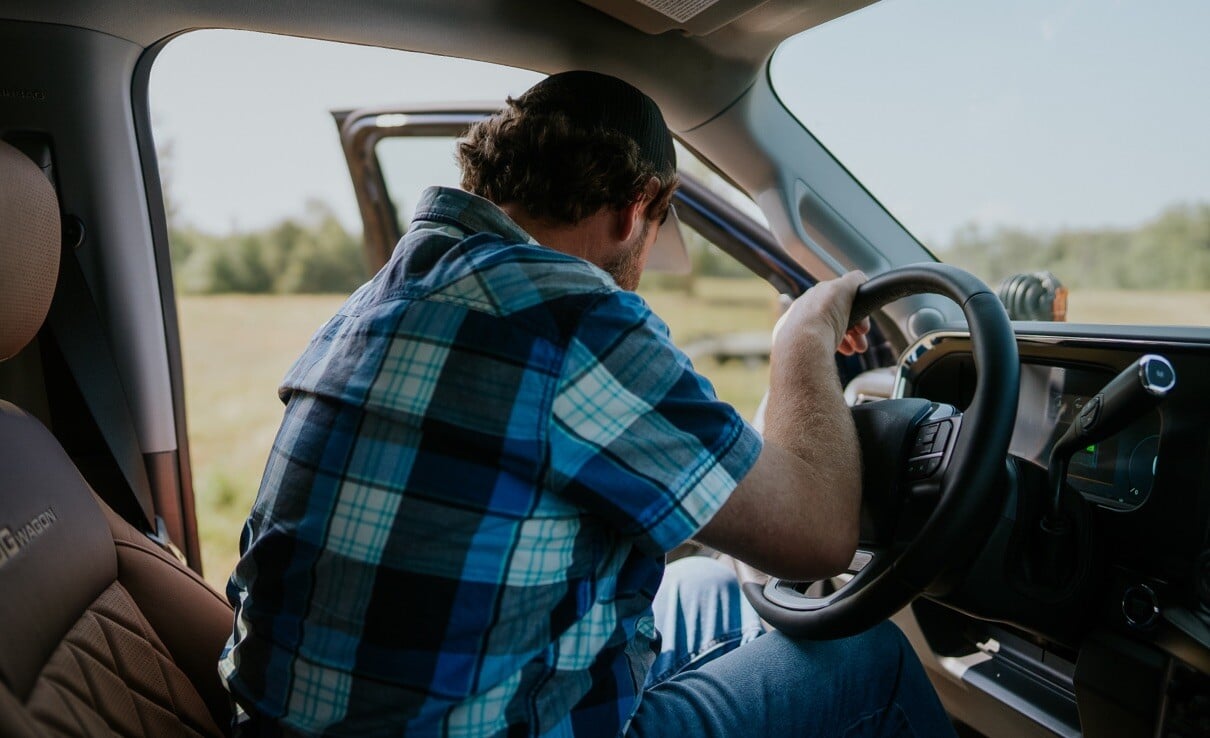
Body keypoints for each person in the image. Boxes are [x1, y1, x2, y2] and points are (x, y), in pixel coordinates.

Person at [219, 70, 955, 737]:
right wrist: (803, 332)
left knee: (705, 585)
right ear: (637, 211)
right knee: (874, 664)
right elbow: (822, 536)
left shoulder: (375, 301)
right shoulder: (573, 316)